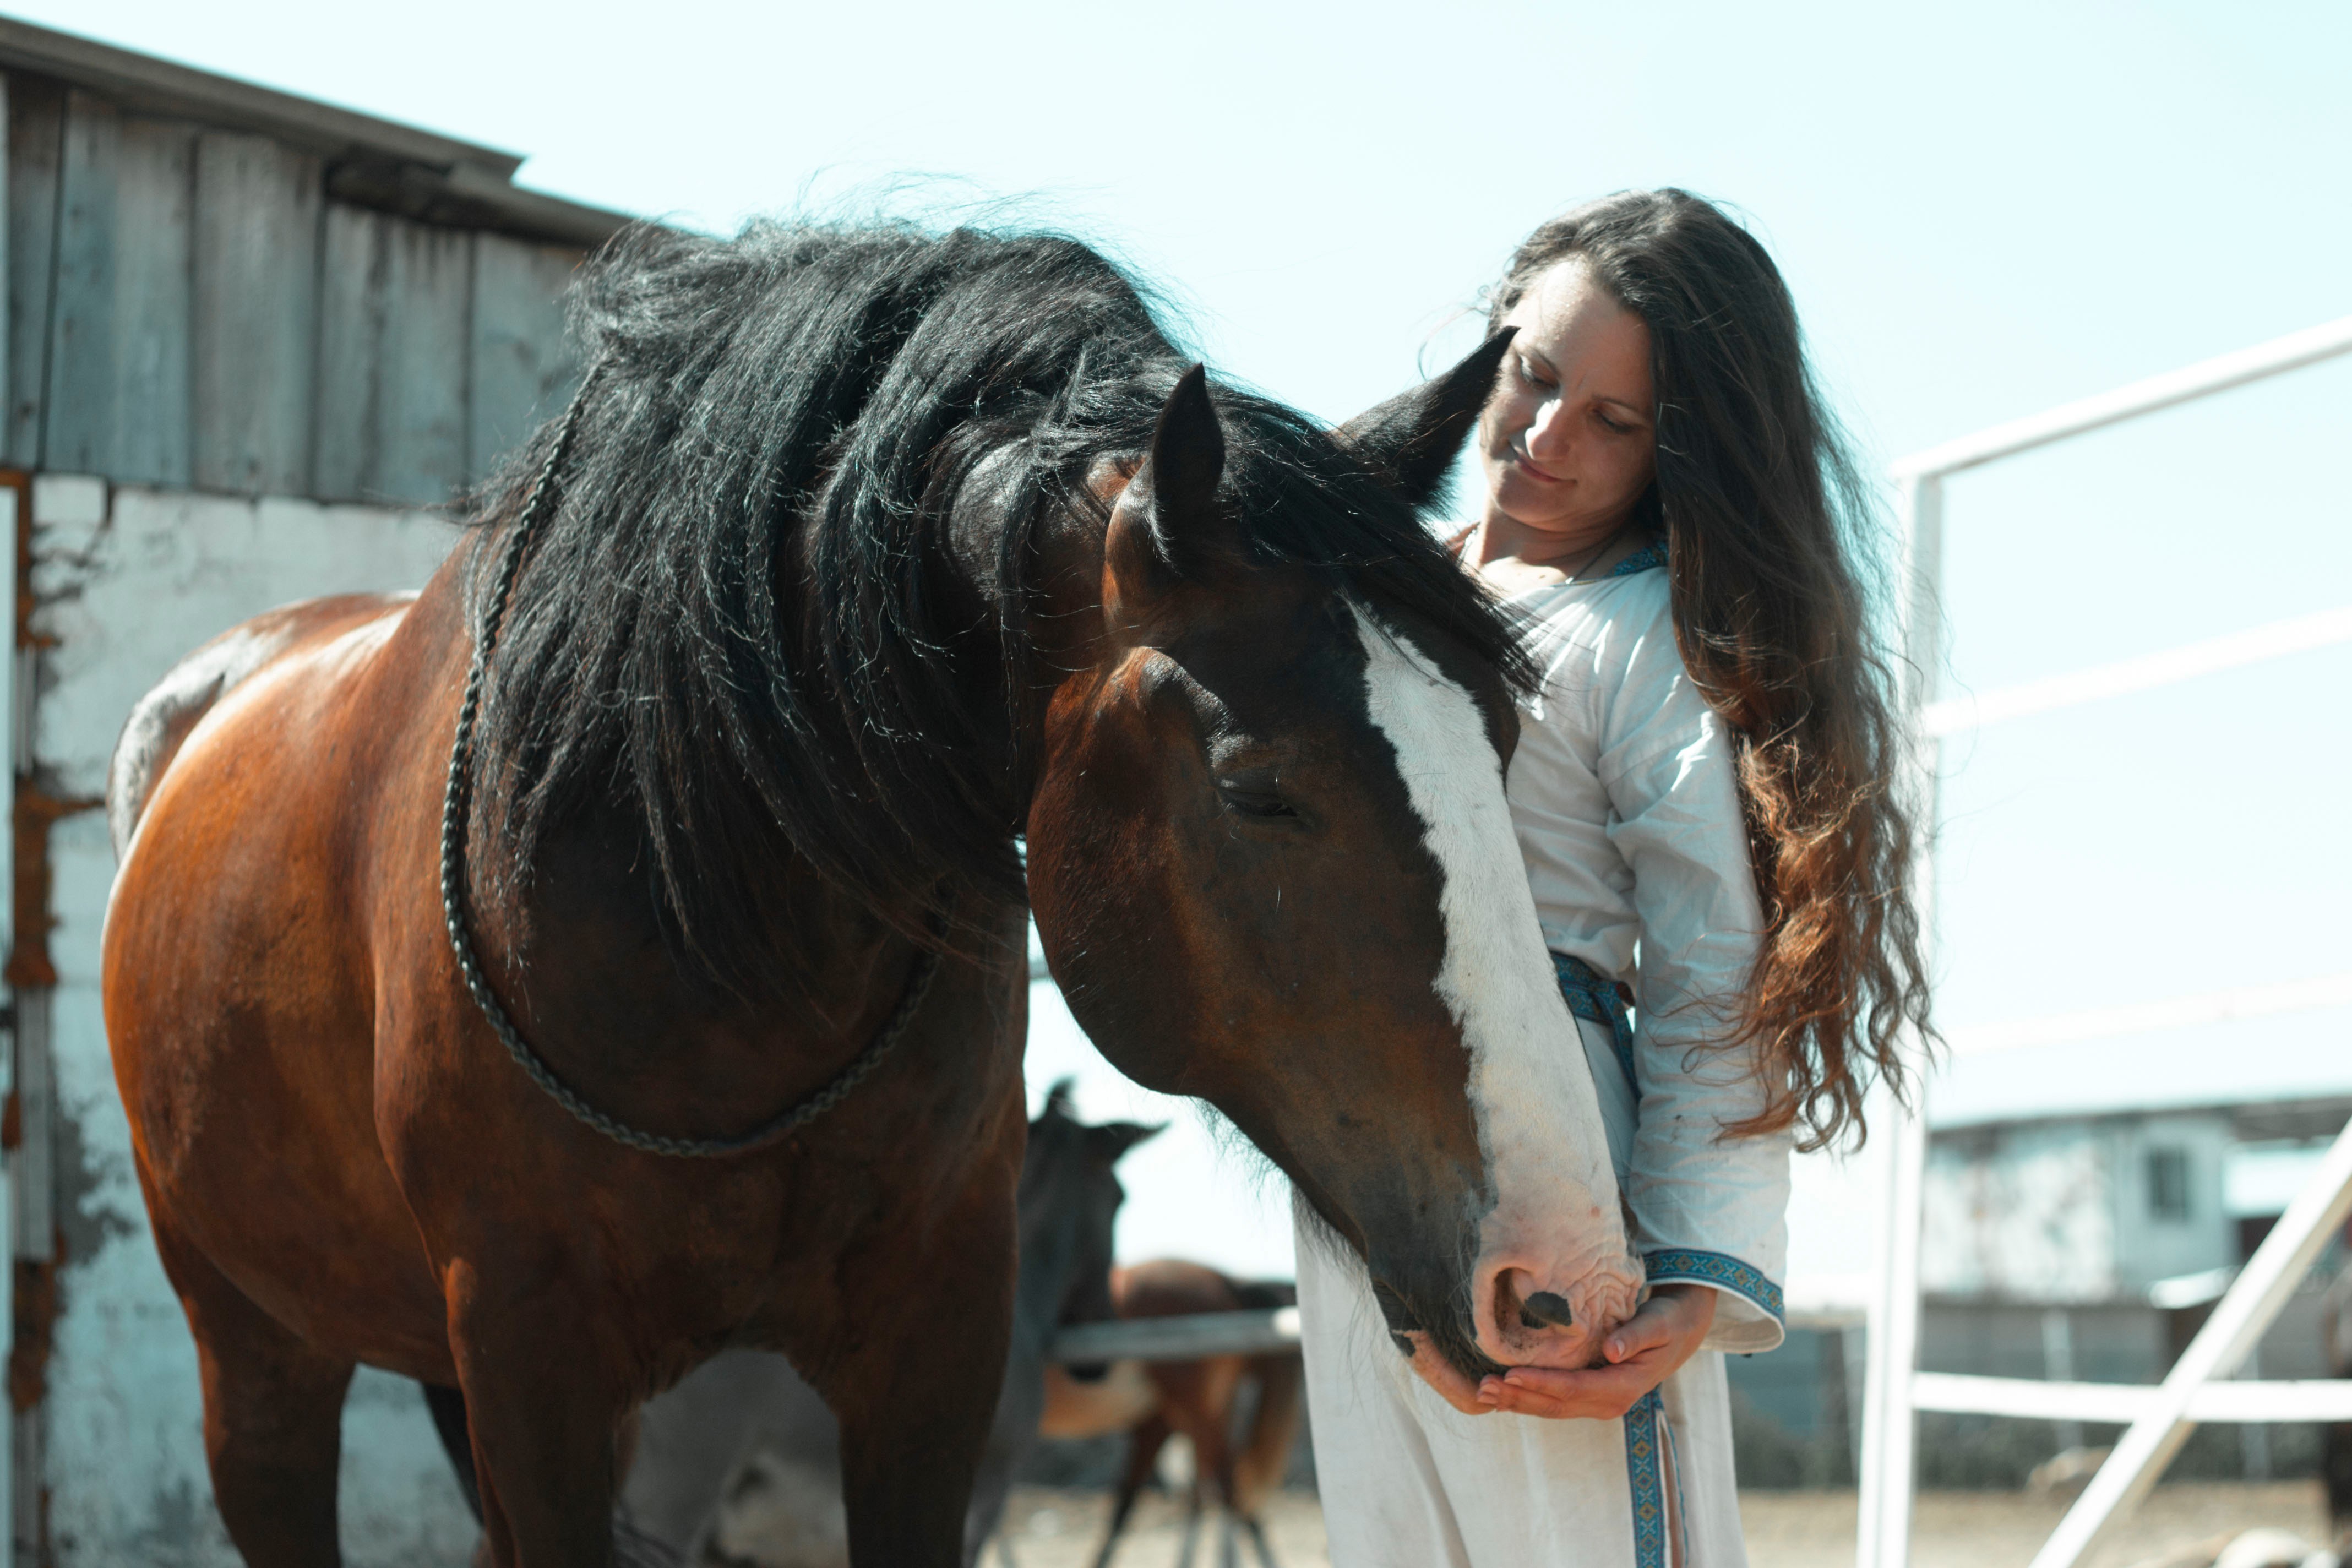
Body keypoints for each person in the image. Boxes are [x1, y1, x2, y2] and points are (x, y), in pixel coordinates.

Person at [1294, 189, 1932, 1567]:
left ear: (1675, 454)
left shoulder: (1642, 631)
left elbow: (1717, 953)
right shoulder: (1368, 589)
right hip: (1355, 1159)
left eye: (1614, 420)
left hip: (1551, 1144)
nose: (1543, 436)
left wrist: (1694, 1272)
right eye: (1532, 374)